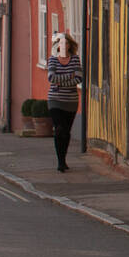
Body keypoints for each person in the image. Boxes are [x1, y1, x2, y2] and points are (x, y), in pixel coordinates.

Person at [47, 31, 83, 172]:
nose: (63, 45)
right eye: (61, 43)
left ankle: (64, 158)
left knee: (66, 132)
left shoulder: (75, 59)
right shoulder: (53, 60)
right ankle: (60, 161)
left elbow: (79, 78)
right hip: (55, 100)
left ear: (69, 45)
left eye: (66, 43)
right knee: (59, 129)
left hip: (71, 101)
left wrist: (60, 81)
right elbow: (51, 78)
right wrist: (70, 76)